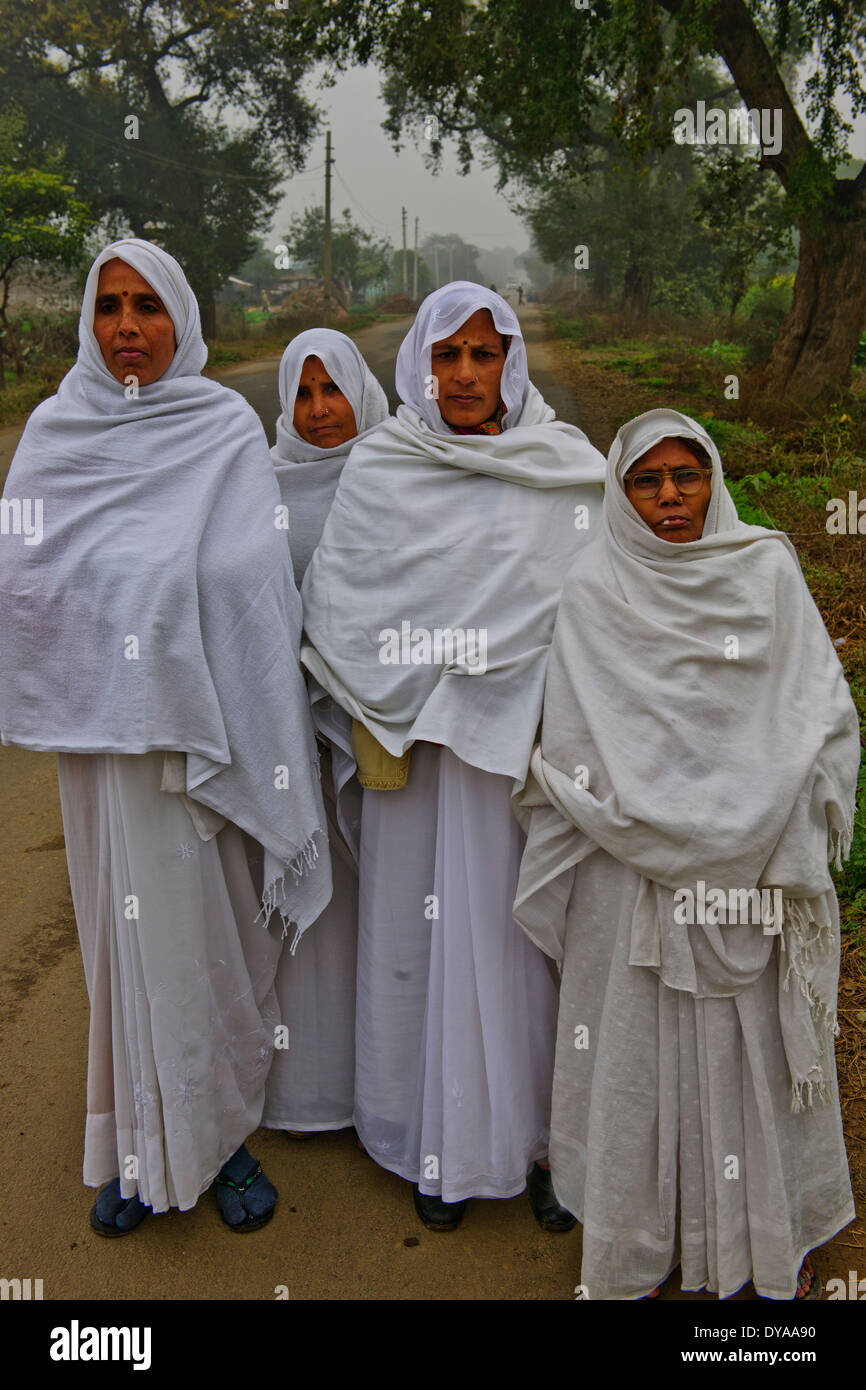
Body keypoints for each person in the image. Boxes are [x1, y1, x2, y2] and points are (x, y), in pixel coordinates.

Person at [0, 239, 332, 1235]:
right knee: (122, 945)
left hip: (202, 744)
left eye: (148, 304)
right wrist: (128, 599)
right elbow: (23, 581)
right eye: (110, 306)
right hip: (105, 747)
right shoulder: (56, 433)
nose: (129, 325)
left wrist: (154, 606)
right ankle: (135, 1149)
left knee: (201, 942)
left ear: (182, 317)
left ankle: (222, 1138)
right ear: (89, 325)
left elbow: (248, 582)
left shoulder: (222, 426)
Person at [514, 407, 859, 1298]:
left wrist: (761, 820)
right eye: (647, 481)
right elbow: (579, 746)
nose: (671, 498)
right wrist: (670, 829)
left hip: (758, 874)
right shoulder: (596, 587)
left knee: (756, 1057)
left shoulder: (767, 569)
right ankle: (645, 1236)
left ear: (714, 480)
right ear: (620, 494)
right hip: (633, 880)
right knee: (641, 1060)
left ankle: (766, 1235)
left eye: (688, 476)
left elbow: (818, 711)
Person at [300, 282, 606, 1230]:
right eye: (448, 356)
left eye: (484, 354)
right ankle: (428, 1143)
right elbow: (340, 609)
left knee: (529, 946)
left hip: (516, 763)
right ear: (421, 368)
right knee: (411, 942)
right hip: (411, 762)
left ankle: (547, 1145)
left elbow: (598, 617)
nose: (465, 374)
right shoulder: (385, 467)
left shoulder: (566, 470)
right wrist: (416, 688)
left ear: (510, 363)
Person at [263, 330, 388, 1139]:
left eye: (332, 390)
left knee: (384, 906)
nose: (318, 412)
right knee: (308, 922)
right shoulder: (256, 486)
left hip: (376, 739)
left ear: (362, 392)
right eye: (303, 395)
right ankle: (308, 1092)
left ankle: (383, 1080)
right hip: (285, 737)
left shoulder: (401, 477)